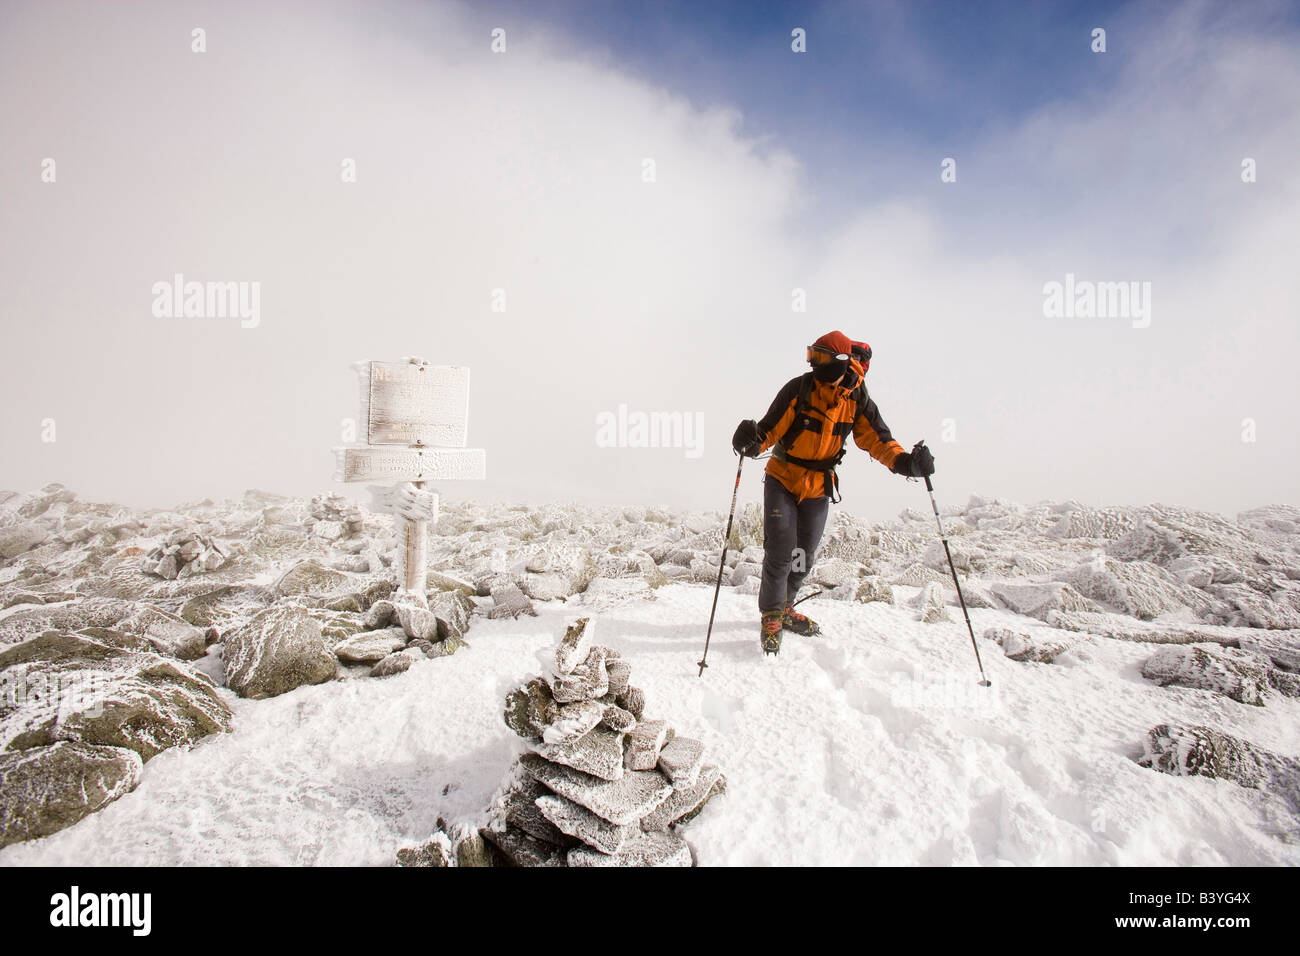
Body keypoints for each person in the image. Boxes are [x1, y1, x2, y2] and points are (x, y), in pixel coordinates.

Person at [731, 330, 935, 654]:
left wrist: (909, 464)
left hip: (818, 486)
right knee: (781, 548)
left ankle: (786, 607)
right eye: (812, 355)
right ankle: (771, 615)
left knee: (803, 556)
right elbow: (770, 429)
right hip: (782, 479)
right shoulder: (799, 389)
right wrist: (750, 441)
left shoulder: (856, 399)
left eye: (820, 357)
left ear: (840, 362)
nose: (813, 363)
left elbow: (879, 440)